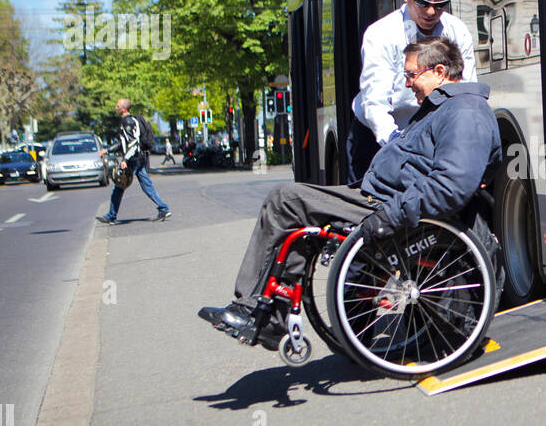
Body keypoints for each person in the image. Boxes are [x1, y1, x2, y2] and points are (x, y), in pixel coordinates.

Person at [199, 36, 501, 348]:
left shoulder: (465, 111)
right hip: (382, 199)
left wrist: (390, 215)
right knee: (299, 215)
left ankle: (256, 311)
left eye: (412, 75)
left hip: (390, 207)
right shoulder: (443, 108)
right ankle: (269, 312)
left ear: (439, 71)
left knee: (286, 200)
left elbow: (451, 186)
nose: (408, 84)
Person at [345, 0, 477, 184]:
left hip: (434, 136)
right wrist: (398, 143)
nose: (430, 11)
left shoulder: (458, 32)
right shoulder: (381, 34)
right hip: (379, 137)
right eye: (422, 2)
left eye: (440, 4)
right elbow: (375, 103)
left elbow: (468, 92)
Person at [96, 99, 171, 224]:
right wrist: (107, 151)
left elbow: (133, 143)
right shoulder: (128, 121)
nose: (116, 107)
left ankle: (111, 215)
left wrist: (125, 159)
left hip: (133, 159)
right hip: (138, 158)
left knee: (119, 187)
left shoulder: (128, 122)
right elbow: (122, 143)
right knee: (146, 185)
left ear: (124, 108)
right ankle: (163, 208)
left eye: (118, 106)